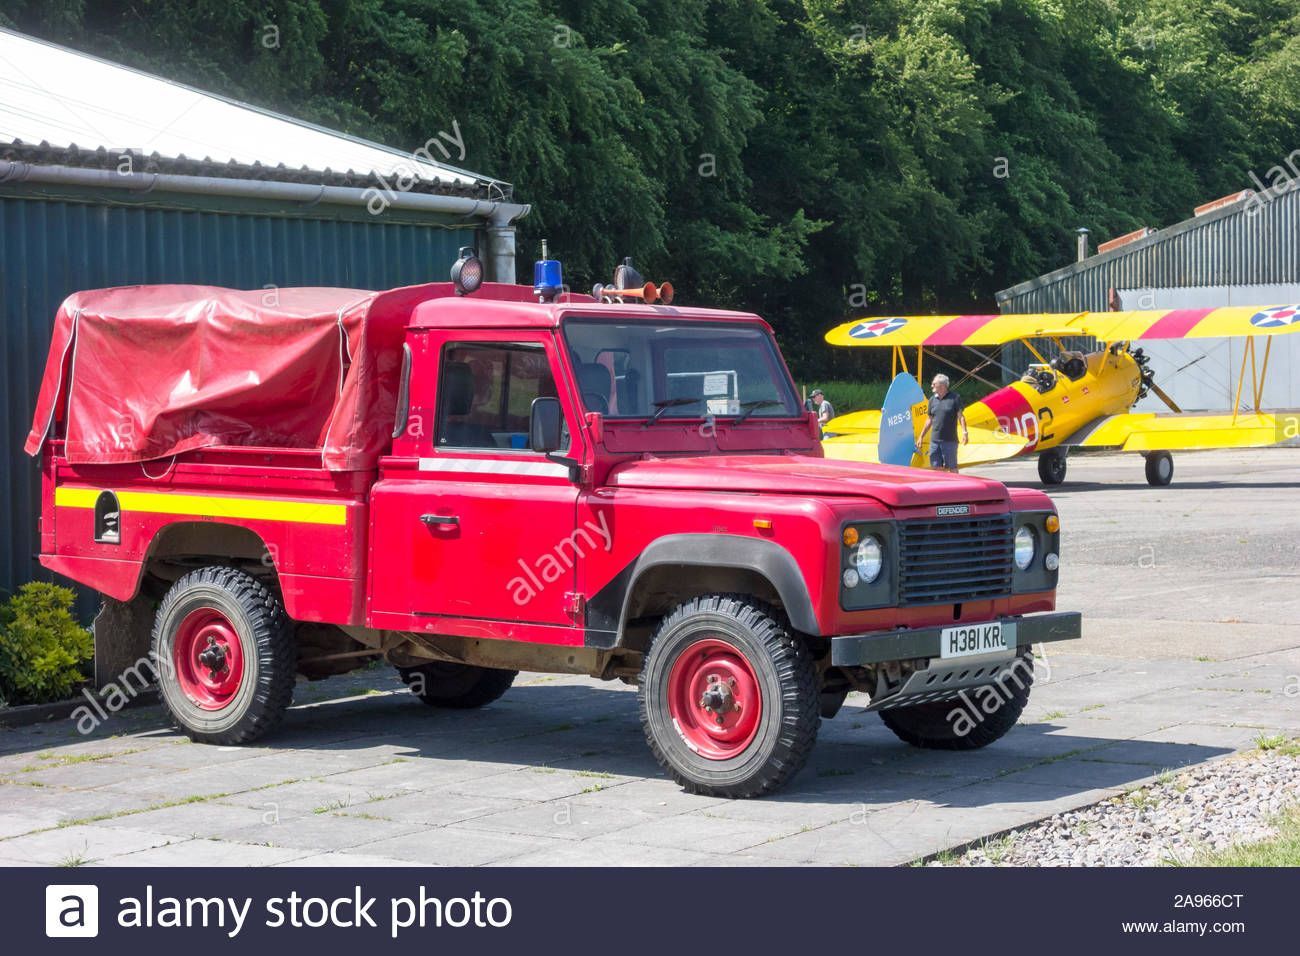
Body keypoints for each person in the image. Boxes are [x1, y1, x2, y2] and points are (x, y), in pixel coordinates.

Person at [915, 374, 968, 472]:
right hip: (934, 441)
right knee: (937, 468)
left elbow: (961, 417)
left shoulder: (955, 398)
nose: (932, 385)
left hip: (950, 441)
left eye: (934, 384)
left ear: (942, 385)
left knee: (952, 468)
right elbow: (929, 420)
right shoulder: (932, 400)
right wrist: (921, 437)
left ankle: (955, 482)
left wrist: (965, 433)